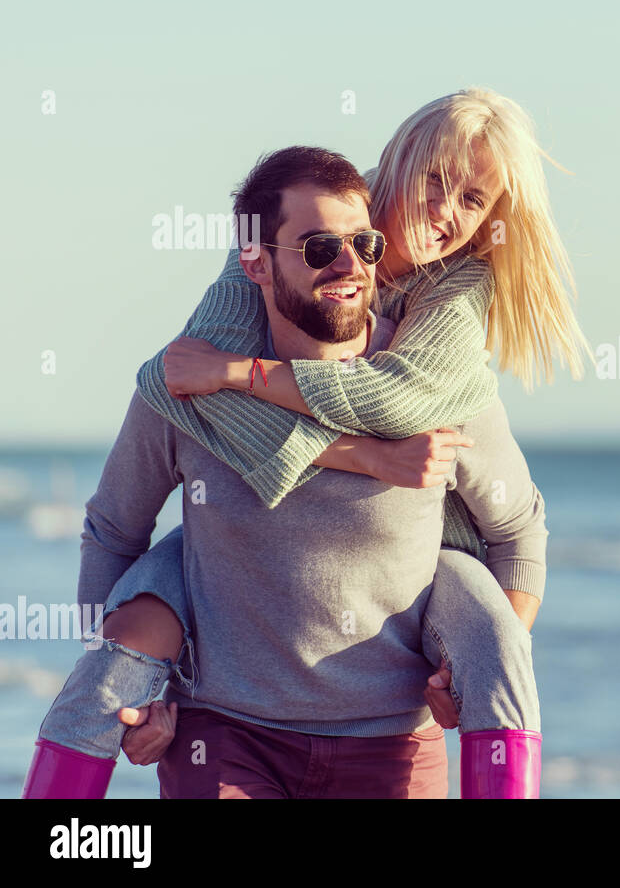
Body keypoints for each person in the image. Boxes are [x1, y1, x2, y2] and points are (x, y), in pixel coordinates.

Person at [23, 100, 587, 797]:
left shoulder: (444, 377)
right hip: (227, 735)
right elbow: (112, 528)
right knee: (158, 588)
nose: (445, 211)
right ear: (259, 262)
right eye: (321, 247)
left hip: (391, 744)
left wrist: (464, 672)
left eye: (472, 199)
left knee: (477, 602)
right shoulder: (191, 376)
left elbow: (517, 530)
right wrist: (141, 690)